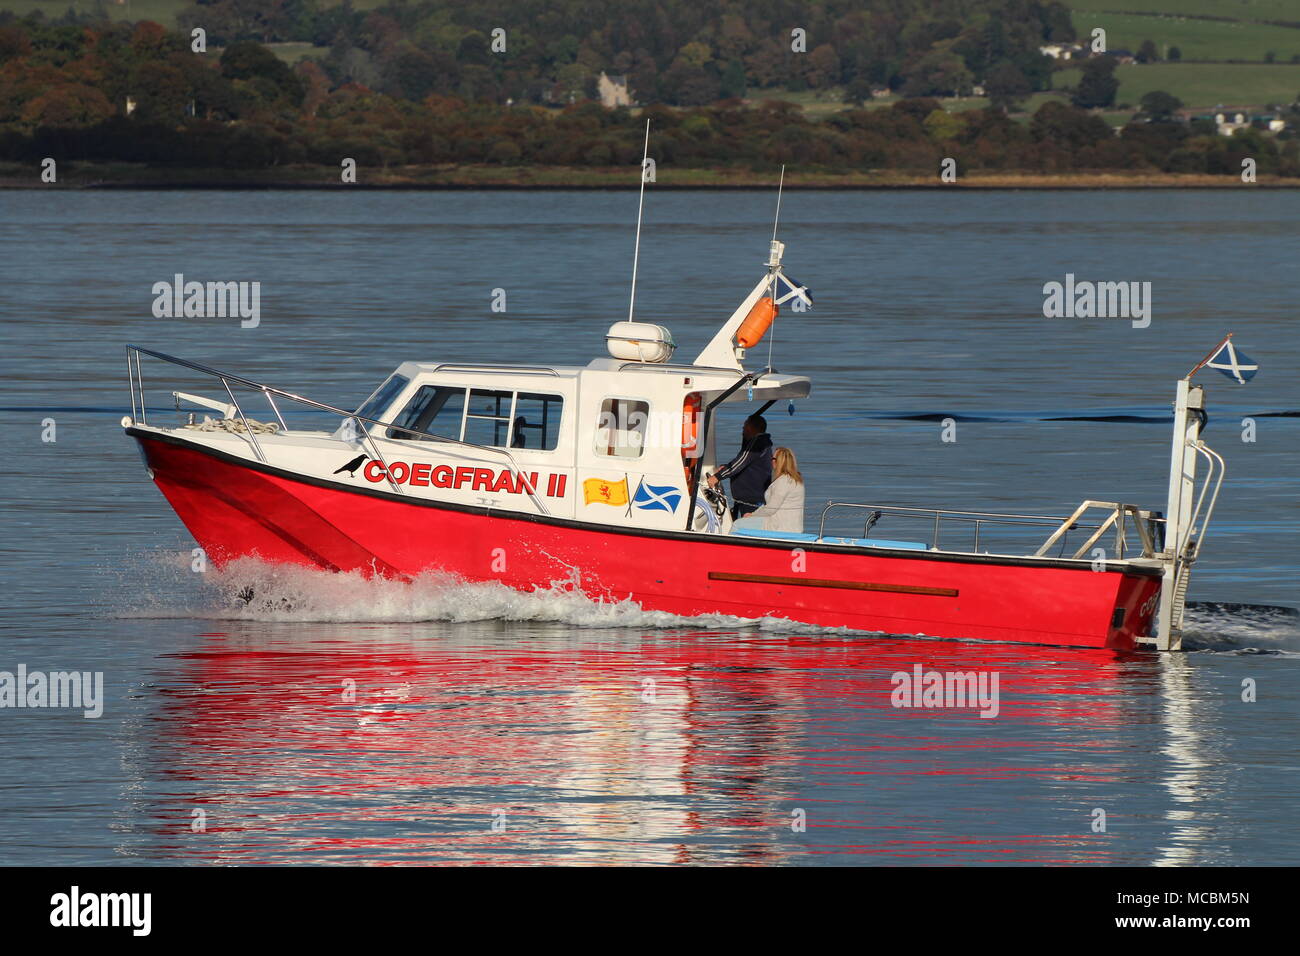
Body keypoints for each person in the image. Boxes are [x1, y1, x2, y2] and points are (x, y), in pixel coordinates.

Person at [707, 413, 773, 520]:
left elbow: (740, 462)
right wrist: (725, 468)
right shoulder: (762, 443)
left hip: (751, 498)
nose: (743, 428)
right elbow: (745, 463)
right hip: (751, 496)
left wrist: (717, 477)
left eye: (745, 425)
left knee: (749, 526)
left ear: (752, 427)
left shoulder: (757, 442)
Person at [732, 447, 805, 533]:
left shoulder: (784, 481)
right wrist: (753, 515)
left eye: (773, 458)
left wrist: (752, 515)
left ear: (780, 461)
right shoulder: (795, 480)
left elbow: (771, 508)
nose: (771, 461)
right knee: (746, 522)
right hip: (790, 525)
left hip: (779, 526)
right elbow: (770, 506)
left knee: (738, 524)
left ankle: (727, 546)